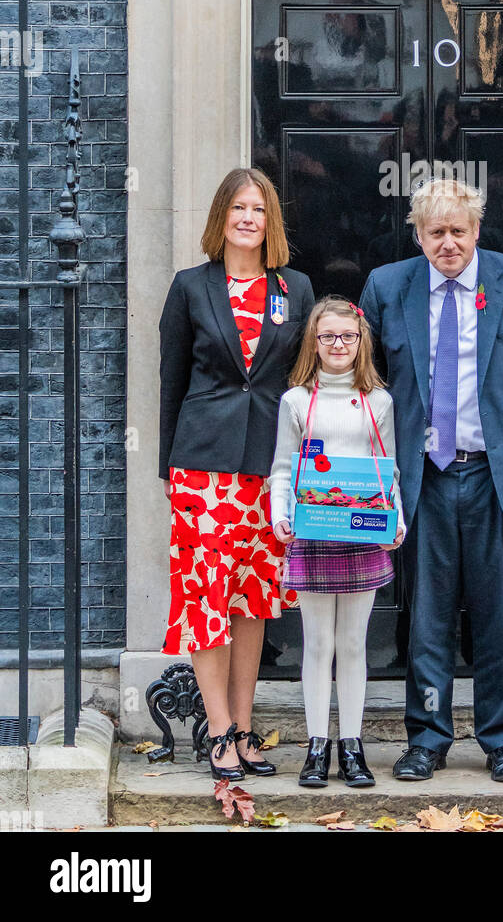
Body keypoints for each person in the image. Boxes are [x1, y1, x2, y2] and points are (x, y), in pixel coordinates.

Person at [359, 177, 503, 783]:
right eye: (436, 232)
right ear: (418, 235)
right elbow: (369, 374)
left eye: (458, 230)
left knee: (499, 616)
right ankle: (427, 737)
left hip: (494, 475)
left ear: (477, 230)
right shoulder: (388, 287)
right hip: (420, 475)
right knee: (427, 617)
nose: (448, 243)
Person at [159, 167, 314, 780]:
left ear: (270, 222)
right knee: (207, 599)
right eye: (238, 208)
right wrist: (169, 467)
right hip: (203, 467)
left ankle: (247, 728)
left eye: (259, 209)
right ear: (221, 217)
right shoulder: (191, 287)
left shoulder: (294, 288)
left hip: (269, 466)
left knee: (255, 600)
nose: (248, 218)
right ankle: (218, 731)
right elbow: (171, 381)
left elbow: (300, 382)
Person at [270, 297, 405, 788]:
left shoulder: (379, 401)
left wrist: (397, 521)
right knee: (317, 642)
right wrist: (279, 517)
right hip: (312, 531)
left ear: (360, 341)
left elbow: (387, 471)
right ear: (314, 342)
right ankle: (316, 746)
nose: (338, 345)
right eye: (327, 337)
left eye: (347, 337)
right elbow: (283, 469)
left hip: (363, 532)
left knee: (352, 642)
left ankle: (352, 744)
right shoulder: (295, 401)